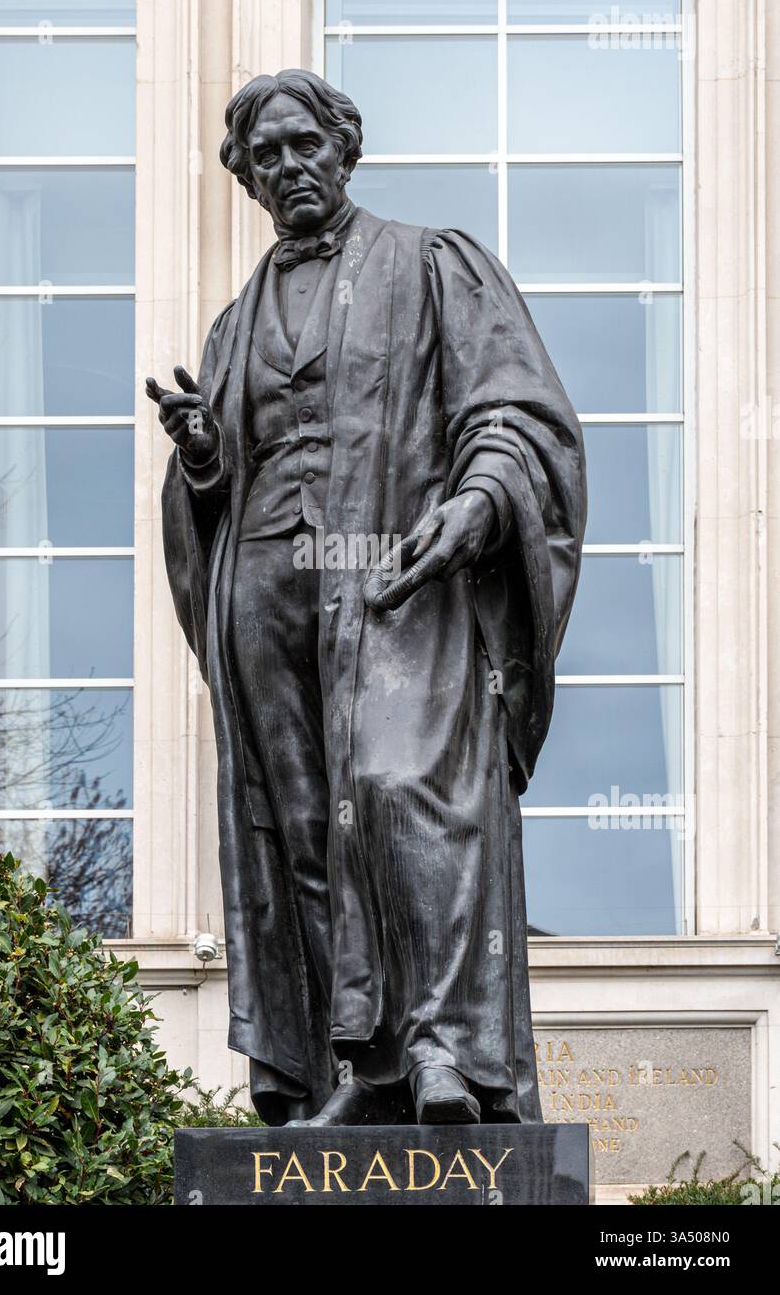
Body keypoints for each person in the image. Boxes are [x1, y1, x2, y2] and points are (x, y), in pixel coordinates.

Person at [147, 69, 586, 1126]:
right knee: (303, 824)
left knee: (399, 789)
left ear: (343, 149)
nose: (288, 167)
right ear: (246, 179)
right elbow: (217, 482)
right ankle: (355, 1066)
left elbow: (513, 413)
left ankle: (443, 1050)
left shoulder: (430, 265)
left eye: (304, 145)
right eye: (266, 157)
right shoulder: (234, 326)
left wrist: (479, 501)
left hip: (395, 579)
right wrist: (203, 457)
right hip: (266, 587)